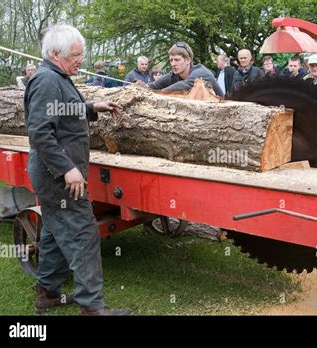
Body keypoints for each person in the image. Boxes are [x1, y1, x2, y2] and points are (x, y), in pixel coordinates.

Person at [24, 24, 131, 316]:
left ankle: (46, 292)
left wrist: (93, 106)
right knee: (83, 234)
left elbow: (63, 110)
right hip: (58, 177)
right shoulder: (47, 80)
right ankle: (92, 308)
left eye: (81, 54)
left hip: (53, 176)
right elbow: (40, 133)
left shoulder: (57, 76)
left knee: (55, 233)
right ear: (56, 54)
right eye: (75, 55)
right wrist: (67, 170)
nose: (80, 60)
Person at [146, 42, 223, 96]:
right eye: (171, 60)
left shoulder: (201, 72)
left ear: (188, 60)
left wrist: (157, 94)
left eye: (177, 60)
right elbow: (154, 85)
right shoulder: (174, 75)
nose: (173, 64)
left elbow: (185, 85)